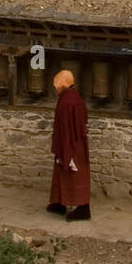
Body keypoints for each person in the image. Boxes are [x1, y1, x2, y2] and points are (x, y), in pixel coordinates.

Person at [47, 69, 91, 221]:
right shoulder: (71, 97)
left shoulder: (68, 102)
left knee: (76, 174)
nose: (56, 88)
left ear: (63, 85)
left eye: (57, 85)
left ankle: (83, 208)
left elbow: (69, 127)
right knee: (62, 172)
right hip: (71, 141)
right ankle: (59, 203)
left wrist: (67, 147)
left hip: (72, 143)